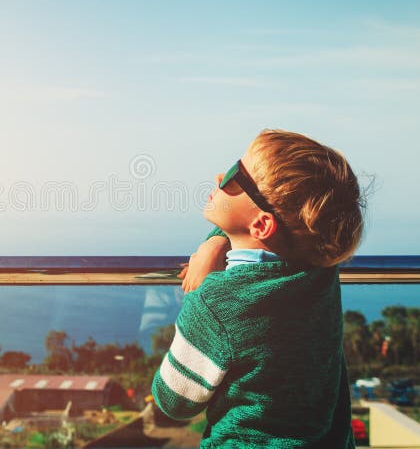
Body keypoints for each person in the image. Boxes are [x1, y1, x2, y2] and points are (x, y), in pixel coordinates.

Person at [151, 129, 364, 448]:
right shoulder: (319, 268)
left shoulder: (217, 303)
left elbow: (174, 402)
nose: (220, 176)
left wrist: (197, 294)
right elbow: (261, 229)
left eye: (236, 176)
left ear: (262, 225)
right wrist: (215, 242)